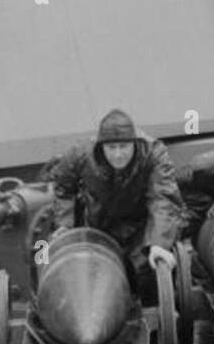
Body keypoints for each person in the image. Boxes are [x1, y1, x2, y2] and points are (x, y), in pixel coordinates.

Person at [48, 108, 187, 296]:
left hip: (141, 227)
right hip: (98, 227)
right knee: (93, 284)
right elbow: (63, 186)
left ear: (134, 143)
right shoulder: (80, 154)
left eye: (124, 147)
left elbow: (163, 197)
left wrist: (159, 244)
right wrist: (65, 225)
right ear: (100, 145)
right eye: (111, 148)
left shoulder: (154, 154)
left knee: (147, 278)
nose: (118, 154)